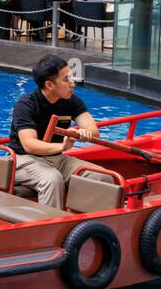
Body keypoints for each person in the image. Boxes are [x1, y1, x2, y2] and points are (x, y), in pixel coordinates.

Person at [8, 55, 106, 209]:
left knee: (100, 175)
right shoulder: (26, 105)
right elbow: (29, 145)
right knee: (52, 179)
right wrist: (62, 147)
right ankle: (50, 229)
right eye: (66, 79)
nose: (72, 83)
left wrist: (85, 132)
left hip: (57, 159)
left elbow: (93, 130)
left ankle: (81, 223)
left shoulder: (71, 101)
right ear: (49, 84)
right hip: (23, 160)